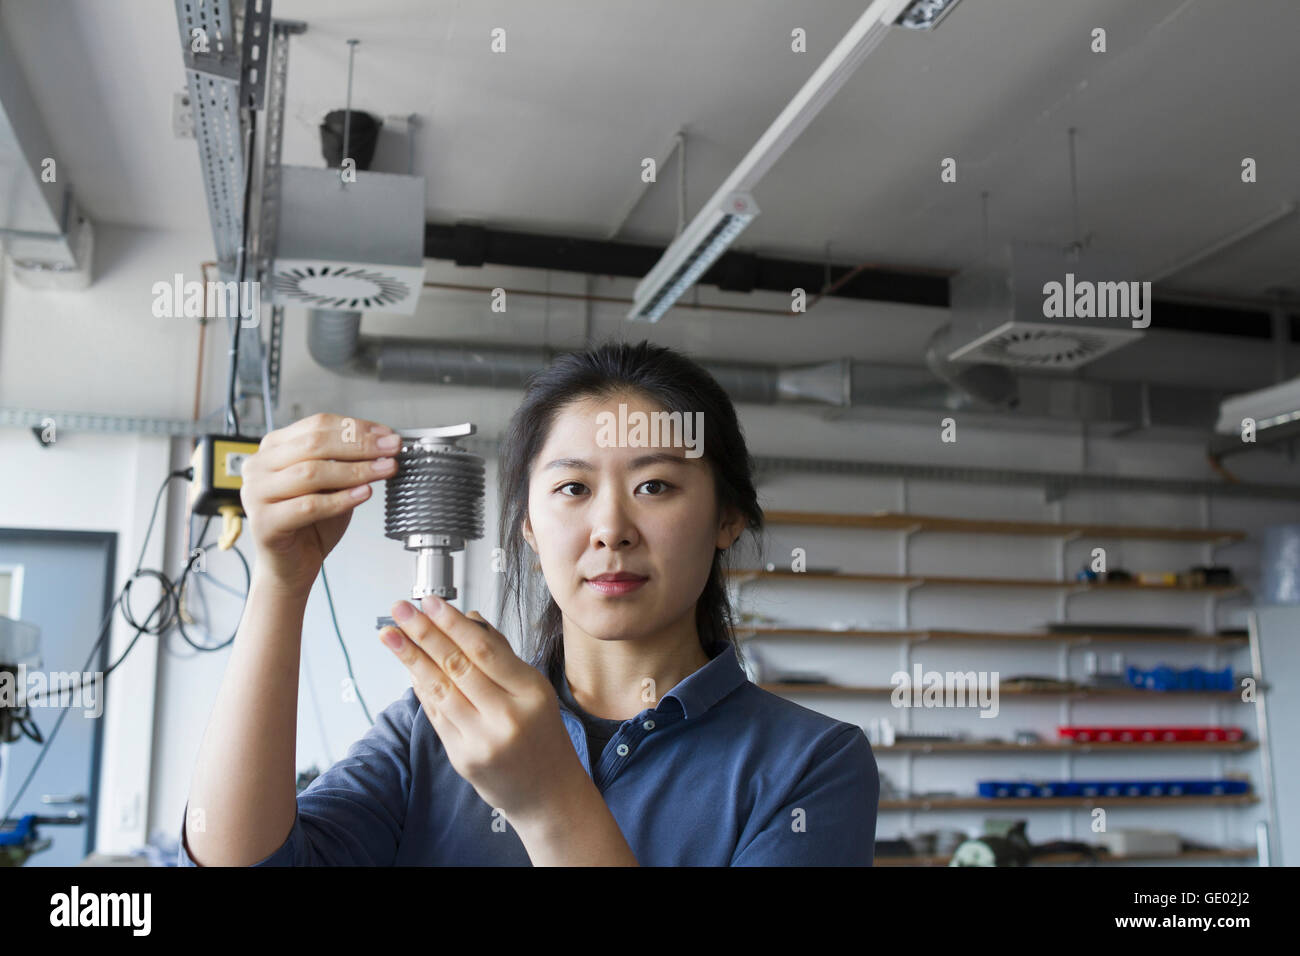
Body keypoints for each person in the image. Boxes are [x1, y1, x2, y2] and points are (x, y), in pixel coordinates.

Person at [178, 338, 879, 865]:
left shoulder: (813, 765)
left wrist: (550, 803)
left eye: (655, 486)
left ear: (728, 517)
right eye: (573, 488)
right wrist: (281, 581)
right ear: (530, 530)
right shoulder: (433, 731)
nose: (610, 528)